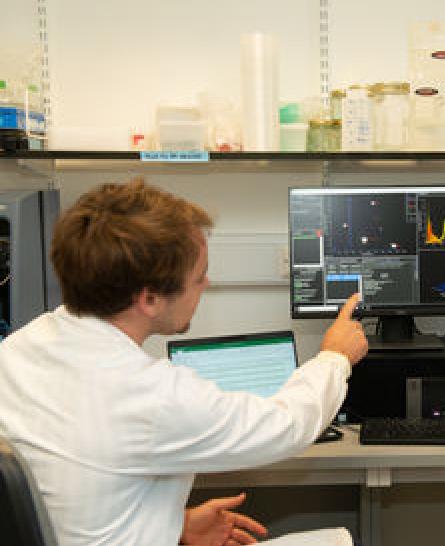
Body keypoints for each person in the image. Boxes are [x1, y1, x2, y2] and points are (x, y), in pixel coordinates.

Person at [0, 179, 369, 546]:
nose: (206, 284)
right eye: (198, 277)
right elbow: (285, 427)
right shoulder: (151, 395)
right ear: (149, 298)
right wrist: (335, 357)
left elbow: (71, 490)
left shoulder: (18, 350)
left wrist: (172, 525)